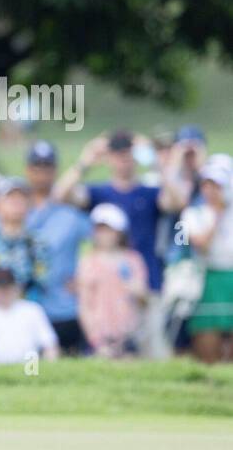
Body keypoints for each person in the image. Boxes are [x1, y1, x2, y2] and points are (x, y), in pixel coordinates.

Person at [53, 129, 190, 357]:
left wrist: (156, 163)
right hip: (107, 288)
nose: (123, 159)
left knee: (152, 352)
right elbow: (60, 195)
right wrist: (86, 161)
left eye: (129, 152)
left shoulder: (149, 192)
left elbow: (178, 202)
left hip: (147, 285)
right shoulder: (99, 193)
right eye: (117, 153)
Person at [25, 140, 91, 354]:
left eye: (47, 167)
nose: (42, 174)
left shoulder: (70, 214)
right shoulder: (17, 207)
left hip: (64, 307)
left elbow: (103, 242)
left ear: (55, 171)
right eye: (37, 167)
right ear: (28, 170)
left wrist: (85, 278)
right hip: (28, 305)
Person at [75, 203, 149, 358]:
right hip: (101, 334)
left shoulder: (132, 260)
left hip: (129, 332)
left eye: (108, 230)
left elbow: (144, 299)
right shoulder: (88, 262)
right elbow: (85, 305)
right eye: (100, 230)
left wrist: (138, 291)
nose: (104, 235)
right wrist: (95, 340)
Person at [181, 161, 233, 363]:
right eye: (207, 185)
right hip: (207, 280)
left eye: (217, 186)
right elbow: (201, 245)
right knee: (208, 342)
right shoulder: (193, 214)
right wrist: (218, 215)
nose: (211, 191)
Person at [0, 177, 48, 311]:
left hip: (27, 317)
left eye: (21, 198)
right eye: (10, 197)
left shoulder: (36, 243)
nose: (16, 202)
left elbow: (41, 283)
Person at [0, 268, 60, 365]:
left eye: (6, 288)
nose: (4, 293)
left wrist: (48, 367)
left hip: (30, 367)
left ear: (15, 288)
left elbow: (49, 344)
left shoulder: (33, 310)